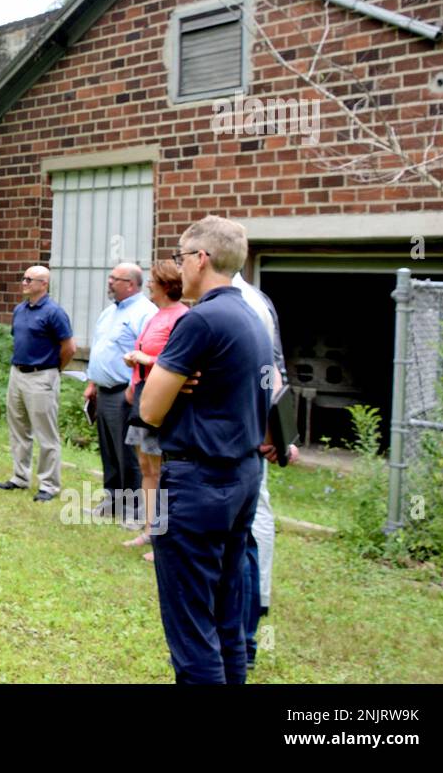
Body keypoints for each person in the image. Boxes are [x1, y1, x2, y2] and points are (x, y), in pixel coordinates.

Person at [139, 216, 274, 685]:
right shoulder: (251, 317)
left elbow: (151, 409)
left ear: (201, 259)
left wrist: (163, 381)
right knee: (225, 618)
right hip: (241, 477)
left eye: (180, 255)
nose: (178, 266)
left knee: (192, 629)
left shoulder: (201, 319)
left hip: (196, 485)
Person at [231, 271, 298, 669]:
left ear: (203, 258)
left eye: (183, 257)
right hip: (247, 437)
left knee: (249, 533)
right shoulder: (246, 300)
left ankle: (245, 637)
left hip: (244, 443)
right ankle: (244, 632)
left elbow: (271, 371)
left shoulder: (246, 303)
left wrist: (275, 432)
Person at [121, 259, 188, 561]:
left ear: (164, 285)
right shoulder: (156, 316)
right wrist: (134, 375)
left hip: (162, 402)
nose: (148, 284)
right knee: (146, 467)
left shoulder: (182, 317)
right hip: (142, 398)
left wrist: (144, 359)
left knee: (161, 470)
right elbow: (147, 352)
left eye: (152, 281)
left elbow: (177, 361)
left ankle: (163, 537)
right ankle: (148, 530)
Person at [85, 263, 157, 522]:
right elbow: (100, 349)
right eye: (110, 277)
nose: (109, 281)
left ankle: (133, 508)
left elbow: (148, 353)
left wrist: (133, 388)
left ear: (131, 284)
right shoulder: (109, 313)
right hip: (104, 391)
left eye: (115, 278)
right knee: (108, 449)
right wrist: (92, 383)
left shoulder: (145, 313)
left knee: (127, 452)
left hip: (125, 393)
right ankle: (112, 500)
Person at [0, 266, 74, 501]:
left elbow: (69, 348)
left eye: (30, 279)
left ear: (44, 284)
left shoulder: (54, 312)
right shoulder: (20, 310)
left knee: (45, 433)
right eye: (24, 278)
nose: (24, 282)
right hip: (17, 373)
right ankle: (20, 477)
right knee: (18, 428)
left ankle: (49, 485)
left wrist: (54, 369)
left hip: (42, 376)